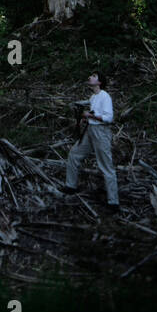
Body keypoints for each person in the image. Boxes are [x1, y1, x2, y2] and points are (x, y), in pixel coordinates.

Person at [64, 71, 120, 212]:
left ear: (99, 82)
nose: (90, 77)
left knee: (106, 165)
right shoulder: (93, 97)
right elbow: (94, 113)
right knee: (74, 154)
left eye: (94, 76)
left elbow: (108, 117)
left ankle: (113, 202)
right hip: (90, 130)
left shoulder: (104, 96)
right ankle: (70, 186)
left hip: (101, 132)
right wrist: (86, 118)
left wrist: (89, 115)